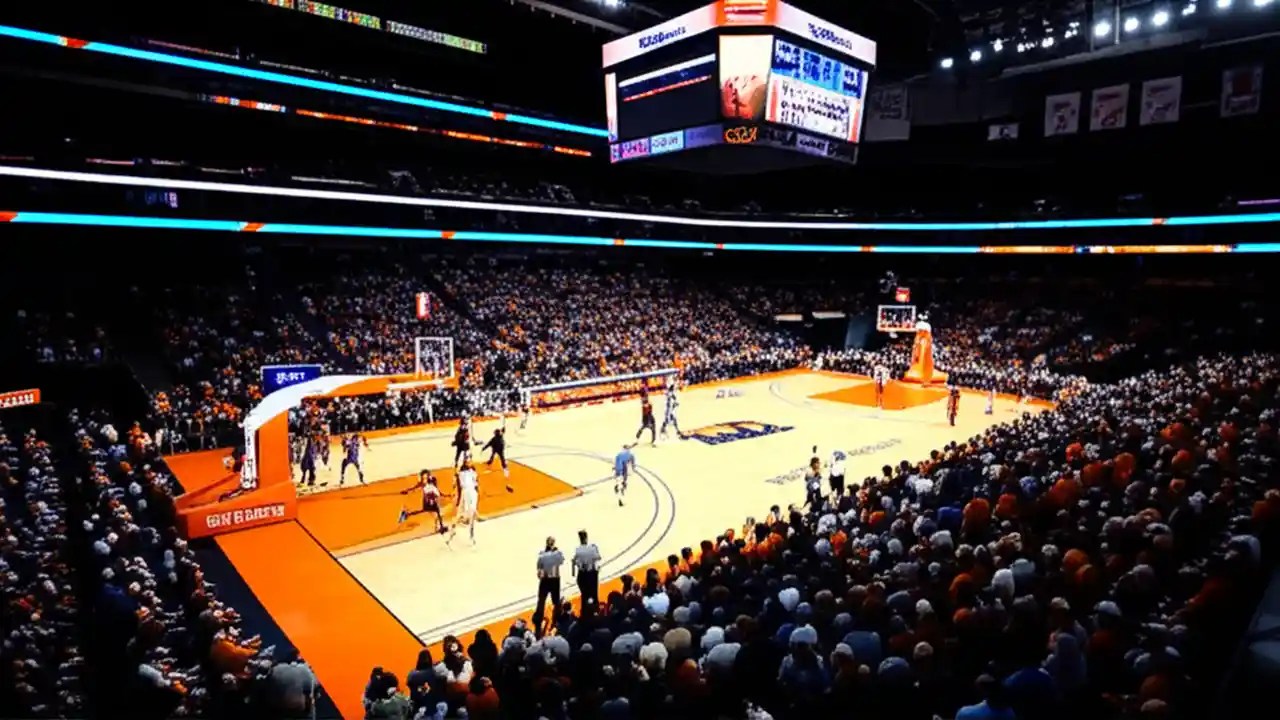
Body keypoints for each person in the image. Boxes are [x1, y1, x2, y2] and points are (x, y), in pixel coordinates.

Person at [533, 536, 564, 638]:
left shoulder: (542, 555)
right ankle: (557, 620)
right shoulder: (557, 554)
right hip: (554, 579)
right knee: (556, 601)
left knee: (541, 600)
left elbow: (539, 568)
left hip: (545, 580)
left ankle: (538, 619)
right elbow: (561, 561)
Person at [446, 461, 478, 546]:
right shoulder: (462, 474)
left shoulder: (471, 472)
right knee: (463, 515)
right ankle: (452, 534)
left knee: (469, 515)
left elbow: (475, 484)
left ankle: (470, 535)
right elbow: (461, 488)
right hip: (467, 493)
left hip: (471, 493)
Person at [572, 530, 602, 610]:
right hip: (591, 573)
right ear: (586, 538)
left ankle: (585, 611)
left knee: (585, 595)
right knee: (593, 594)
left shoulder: (578, 550)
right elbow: (598, 557)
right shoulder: (592, 548)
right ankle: (595, 609)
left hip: (583, 574)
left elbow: (576, 563)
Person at [481, 427, 513, 493]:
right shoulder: (500, 437)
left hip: (497, 449)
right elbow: (502, 433)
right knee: (500, 458)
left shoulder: (495, 438)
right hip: (499, 449)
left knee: (496, 456)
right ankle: (504, 468)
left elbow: (488, 444)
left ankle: (500, 466)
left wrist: (483, 448)